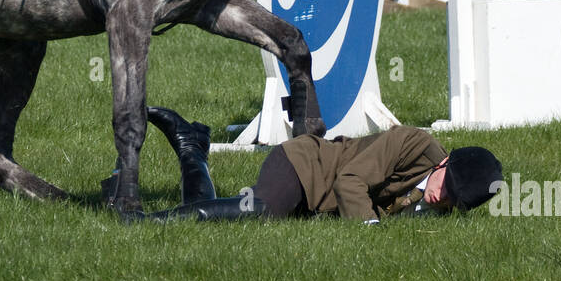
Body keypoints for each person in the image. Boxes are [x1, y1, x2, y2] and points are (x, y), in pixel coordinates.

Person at [119, 107, 502, 223]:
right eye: (446, 186)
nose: (442, 198)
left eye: (453, 199)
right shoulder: (412, 142)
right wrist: (368, 229)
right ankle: (145, 221)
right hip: (303, 164)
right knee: (260, 210)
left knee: (226, 221)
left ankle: (191, 148)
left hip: (314, 200)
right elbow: (350, 180)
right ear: (445, 161)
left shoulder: (443, 202)